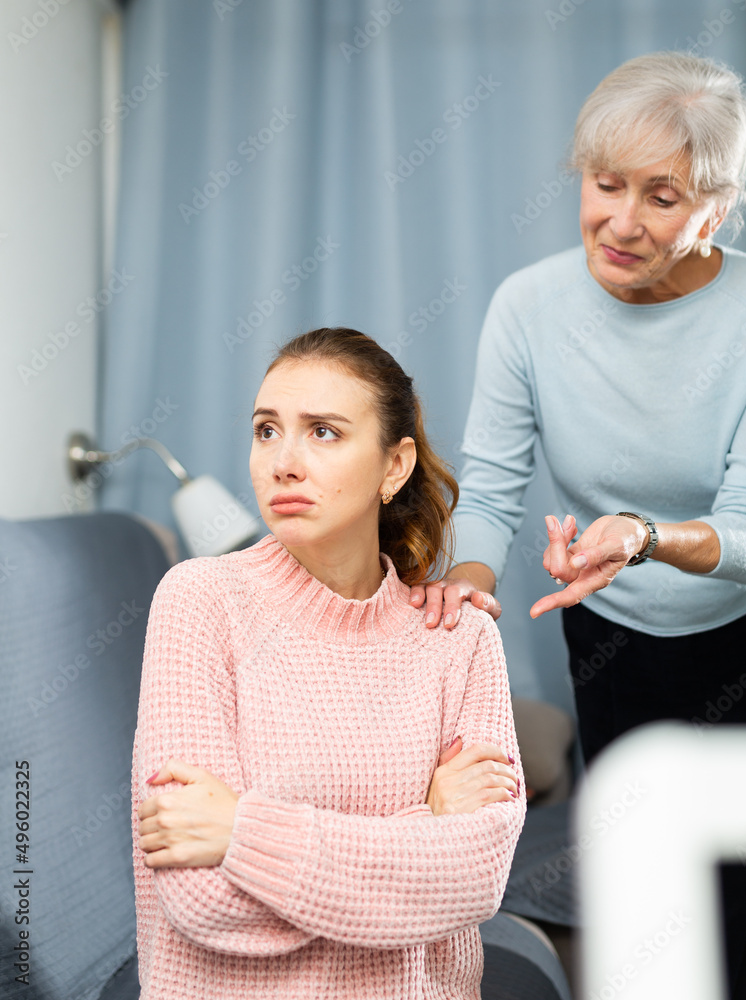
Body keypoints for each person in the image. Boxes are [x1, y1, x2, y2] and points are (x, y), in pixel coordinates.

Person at [410, 51, 746, 998]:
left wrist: (643, 534)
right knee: (677, 930)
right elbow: (492, 489)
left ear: (717, 205)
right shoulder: (528, 307)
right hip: (619, 637)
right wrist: (467, 596)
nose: (620, 221)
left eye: (660, 197)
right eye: (603, 183)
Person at [132, 328, 525, 1000]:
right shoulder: (199, 601)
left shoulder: (459, 637)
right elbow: (202, 900)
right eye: (265, 431)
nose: (282, 462)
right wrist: (423, 825)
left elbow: (477, 875)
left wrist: (241, 832)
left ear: (393, 467)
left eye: (323, 432)